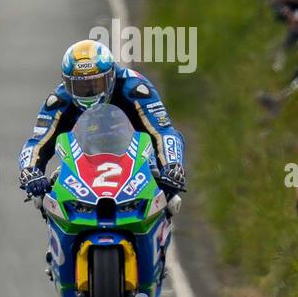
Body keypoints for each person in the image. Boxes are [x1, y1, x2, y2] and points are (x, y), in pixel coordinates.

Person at [18, 40, 187, 200]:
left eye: (95, 84)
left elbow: (163, 131)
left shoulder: (136, 88)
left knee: (169, 196)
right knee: (46, 198)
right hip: (83, 164)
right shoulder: (59, 99)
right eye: (80, 86)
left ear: (111, 76)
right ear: (66, 83)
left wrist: (172, 166)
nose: (88, 92)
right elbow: (38, 142)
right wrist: (30, 171)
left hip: (140, 162)